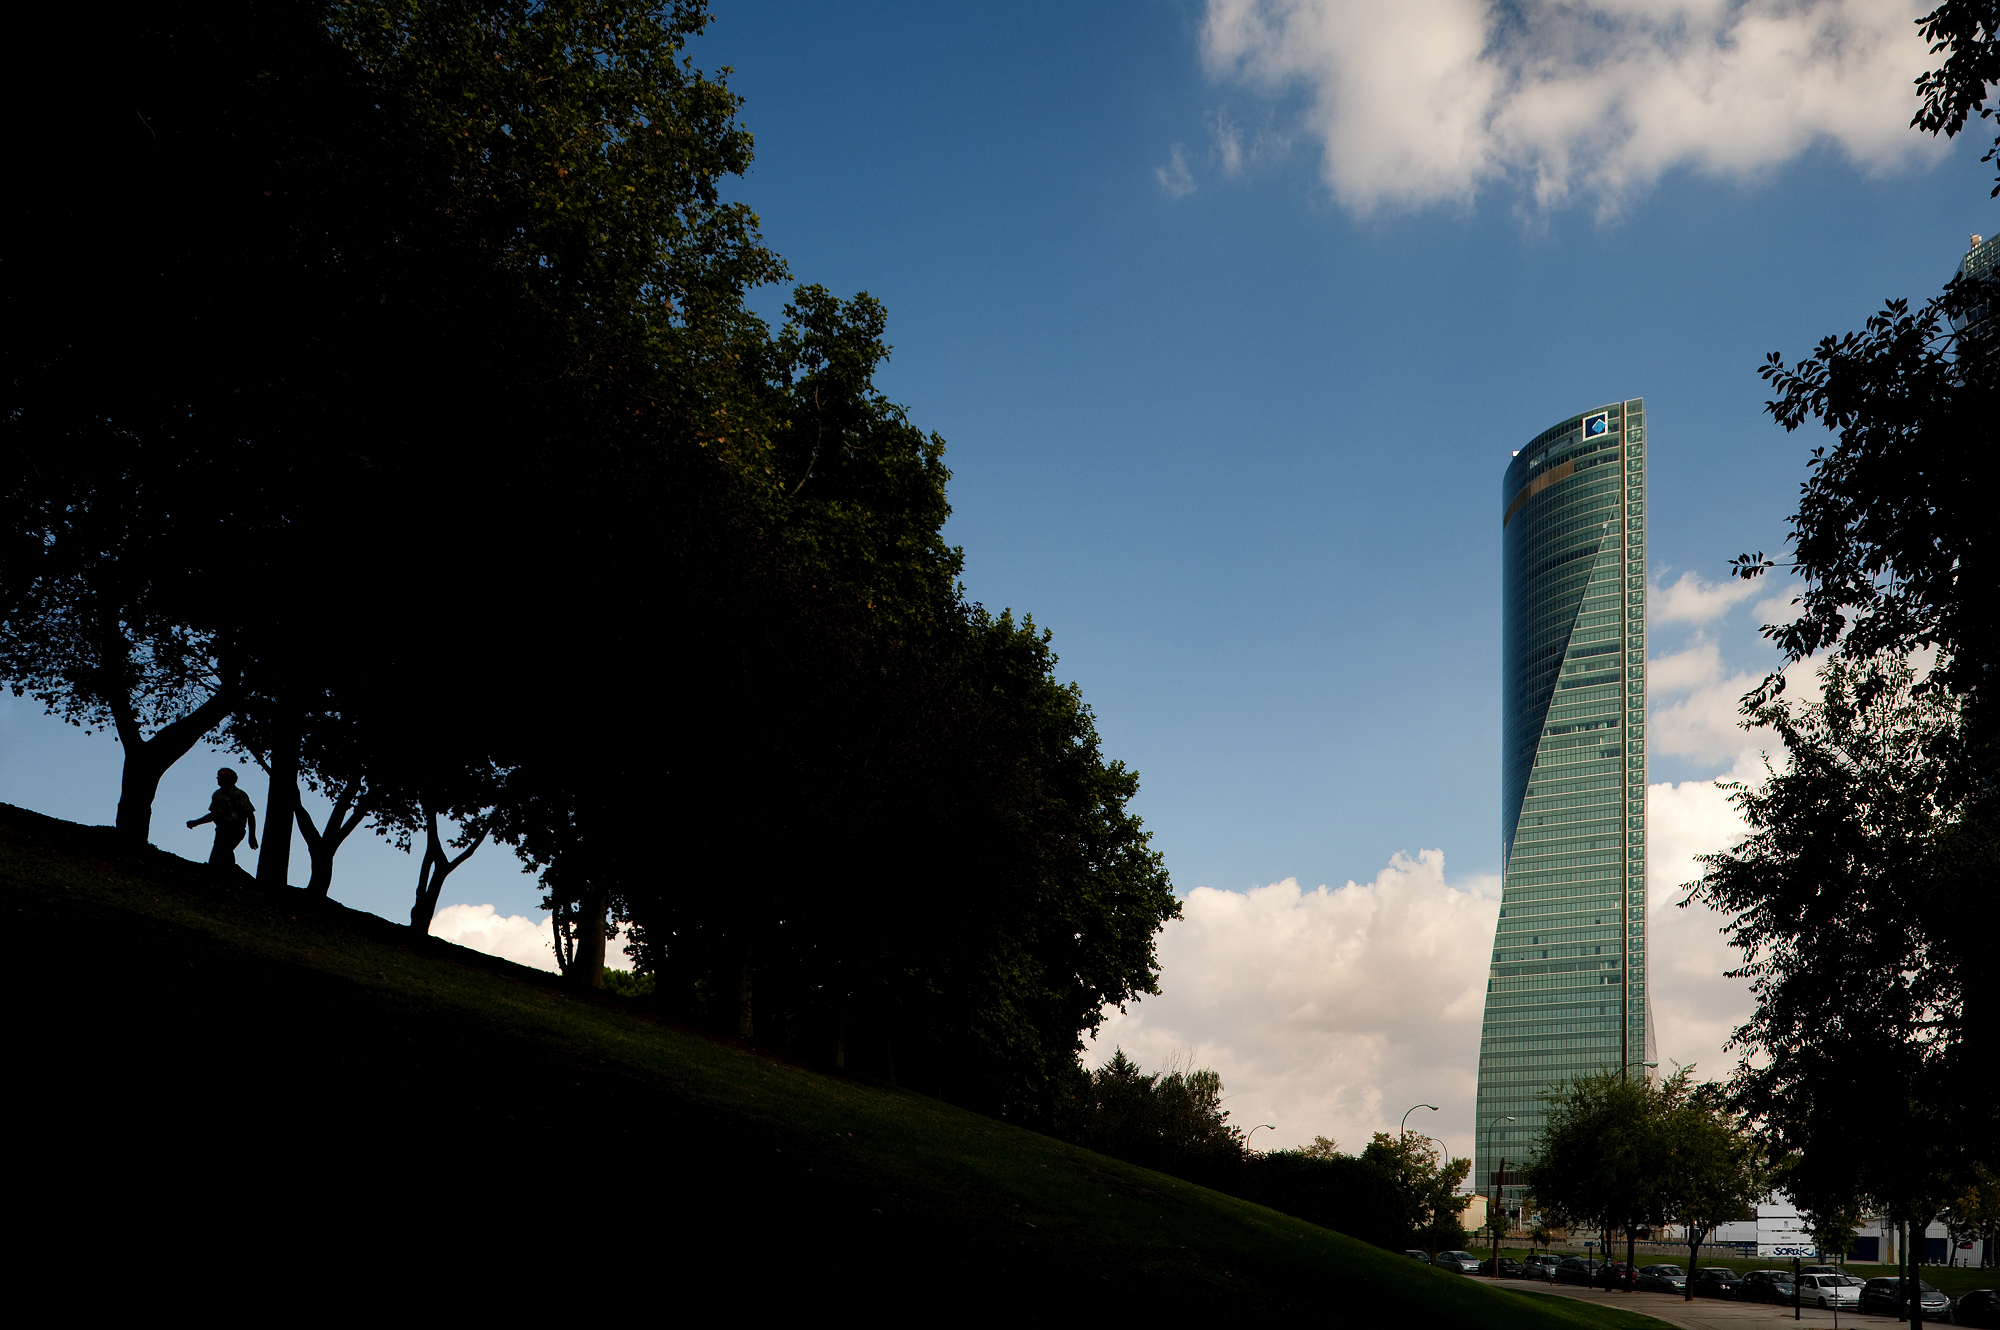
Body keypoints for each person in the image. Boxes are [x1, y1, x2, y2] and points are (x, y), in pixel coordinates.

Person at [188, 767, 258, 868]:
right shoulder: (217, 794)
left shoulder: (240, 794)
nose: (218, 779)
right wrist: (196, 822)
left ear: (229, 778)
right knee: (219, 855)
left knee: (223, 852)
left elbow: (250, 815)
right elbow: (213, 815)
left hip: (235, 829)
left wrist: (252, 837)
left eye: (221, 776)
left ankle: (233, 874)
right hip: (221, 829)